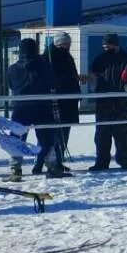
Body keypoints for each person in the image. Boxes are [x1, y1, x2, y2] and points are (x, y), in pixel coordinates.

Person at [87, 33, 127, 172]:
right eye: (104, 45)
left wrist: (124, 90)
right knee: (102, 133)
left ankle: (124, 161)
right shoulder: (99, 59)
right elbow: (92, 77)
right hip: (103, 101)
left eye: (108, 44)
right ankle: (101, 161)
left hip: (121, 101)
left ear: (115, 44)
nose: (106, 47)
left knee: (123, 132)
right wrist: (97, 89)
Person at [7, 39, 61, 178]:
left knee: (17, 139)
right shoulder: (45, 66)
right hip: (43, 107)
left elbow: (11, 85)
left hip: (20, 108)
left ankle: (15, 169)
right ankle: (52, 167)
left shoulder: (12, 69)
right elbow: (54, 82)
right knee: (47, 138)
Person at [44, 31, 82, 172]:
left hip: (65, 100)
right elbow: (59, 78)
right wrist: (72, 79)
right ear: (63, 43)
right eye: (68, 43)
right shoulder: (57, 56)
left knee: (59, 133)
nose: (69, 45)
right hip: (62, 101)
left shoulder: (57, 55)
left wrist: (75, 78)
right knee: (59, 132)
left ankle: (55, 161)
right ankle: (54, 162)